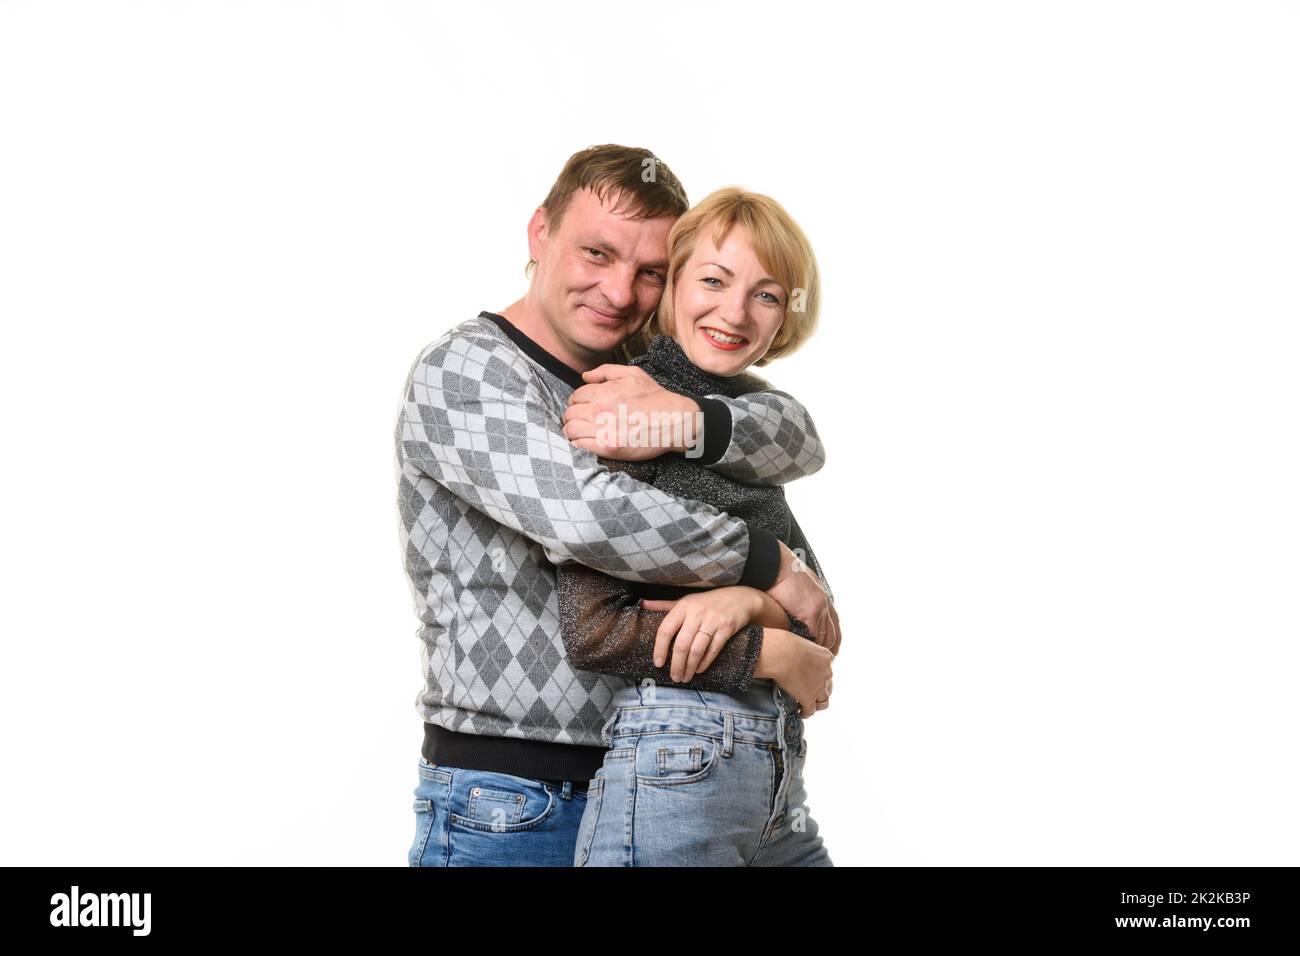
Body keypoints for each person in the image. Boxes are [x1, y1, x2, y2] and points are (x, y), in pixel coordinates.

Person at [395, 144, 840, 866]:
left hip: (654, 773)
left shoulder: (646, 377)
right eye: (595, 253)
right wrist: (766, 576)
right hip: (512, 796)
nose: (617, 290)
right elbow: (591, 520)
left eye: (649, 273)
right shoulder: (467, 371)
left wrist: (685, 422)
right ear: (540, 233)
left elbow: (795, 436)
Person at [559, 186, 836, 867]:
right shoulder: (621, 408)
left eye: (767, 295)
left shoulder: (750, 426)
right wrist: (761, 646)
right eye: (713, 280)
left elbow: (822, 617)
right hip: (676, 762)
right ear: (671, 282)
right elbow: (593, 631)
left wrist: (747, 597)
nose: (735, 312)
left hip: (776, 783)